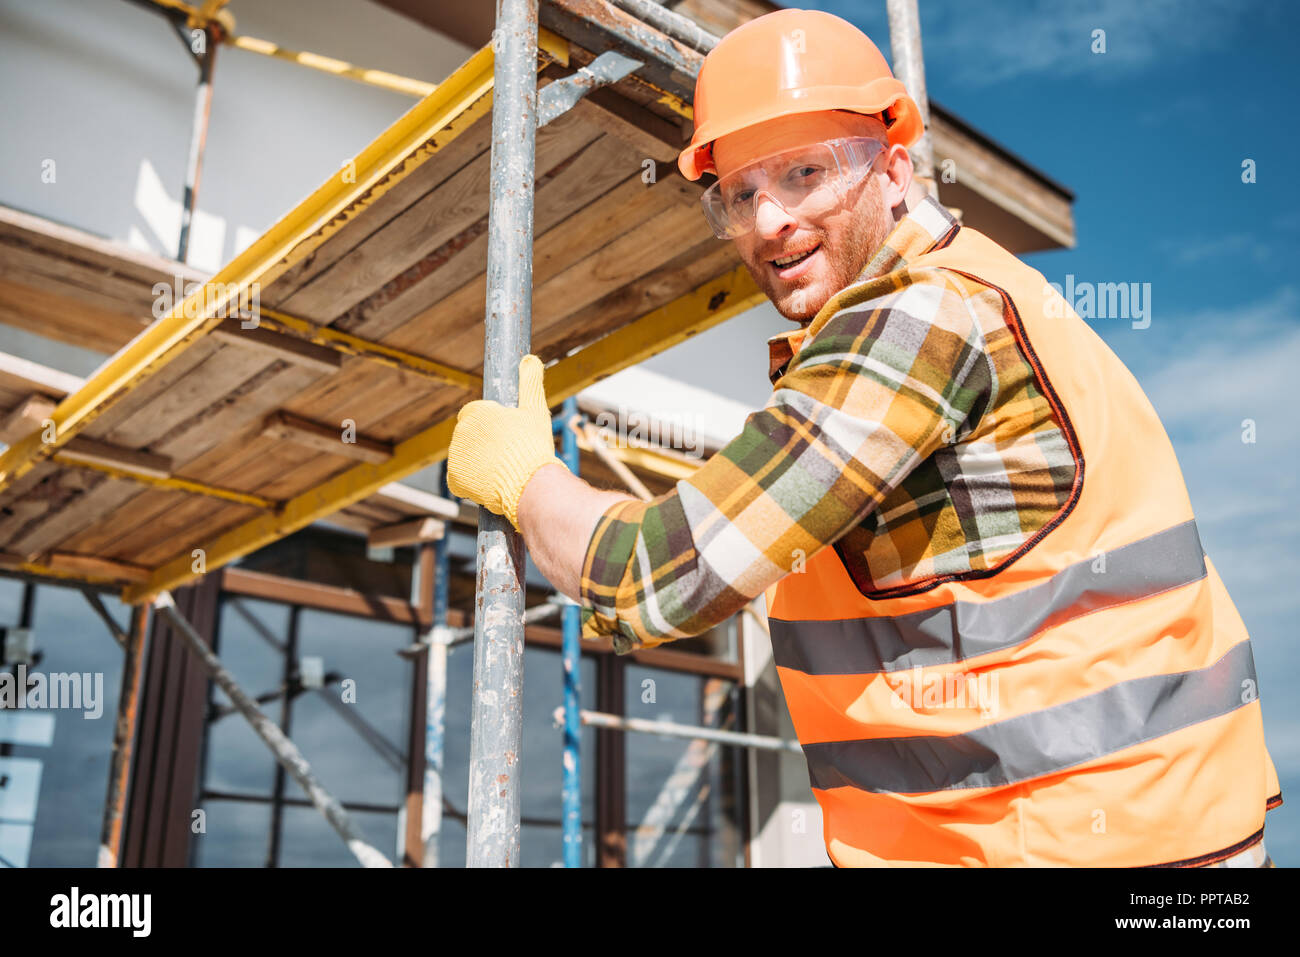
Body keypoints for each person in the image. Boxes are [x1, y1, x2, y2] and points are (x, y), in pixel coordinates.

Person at [447, 7, 1280, 867]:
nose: (769, 222)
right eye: (740, 194)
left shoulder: (921, 317)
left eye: (805, 172)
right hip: (1156, 837)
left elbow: (657, 577)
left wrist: (525, 475)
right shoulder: (982, 296)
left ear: (891, 170)